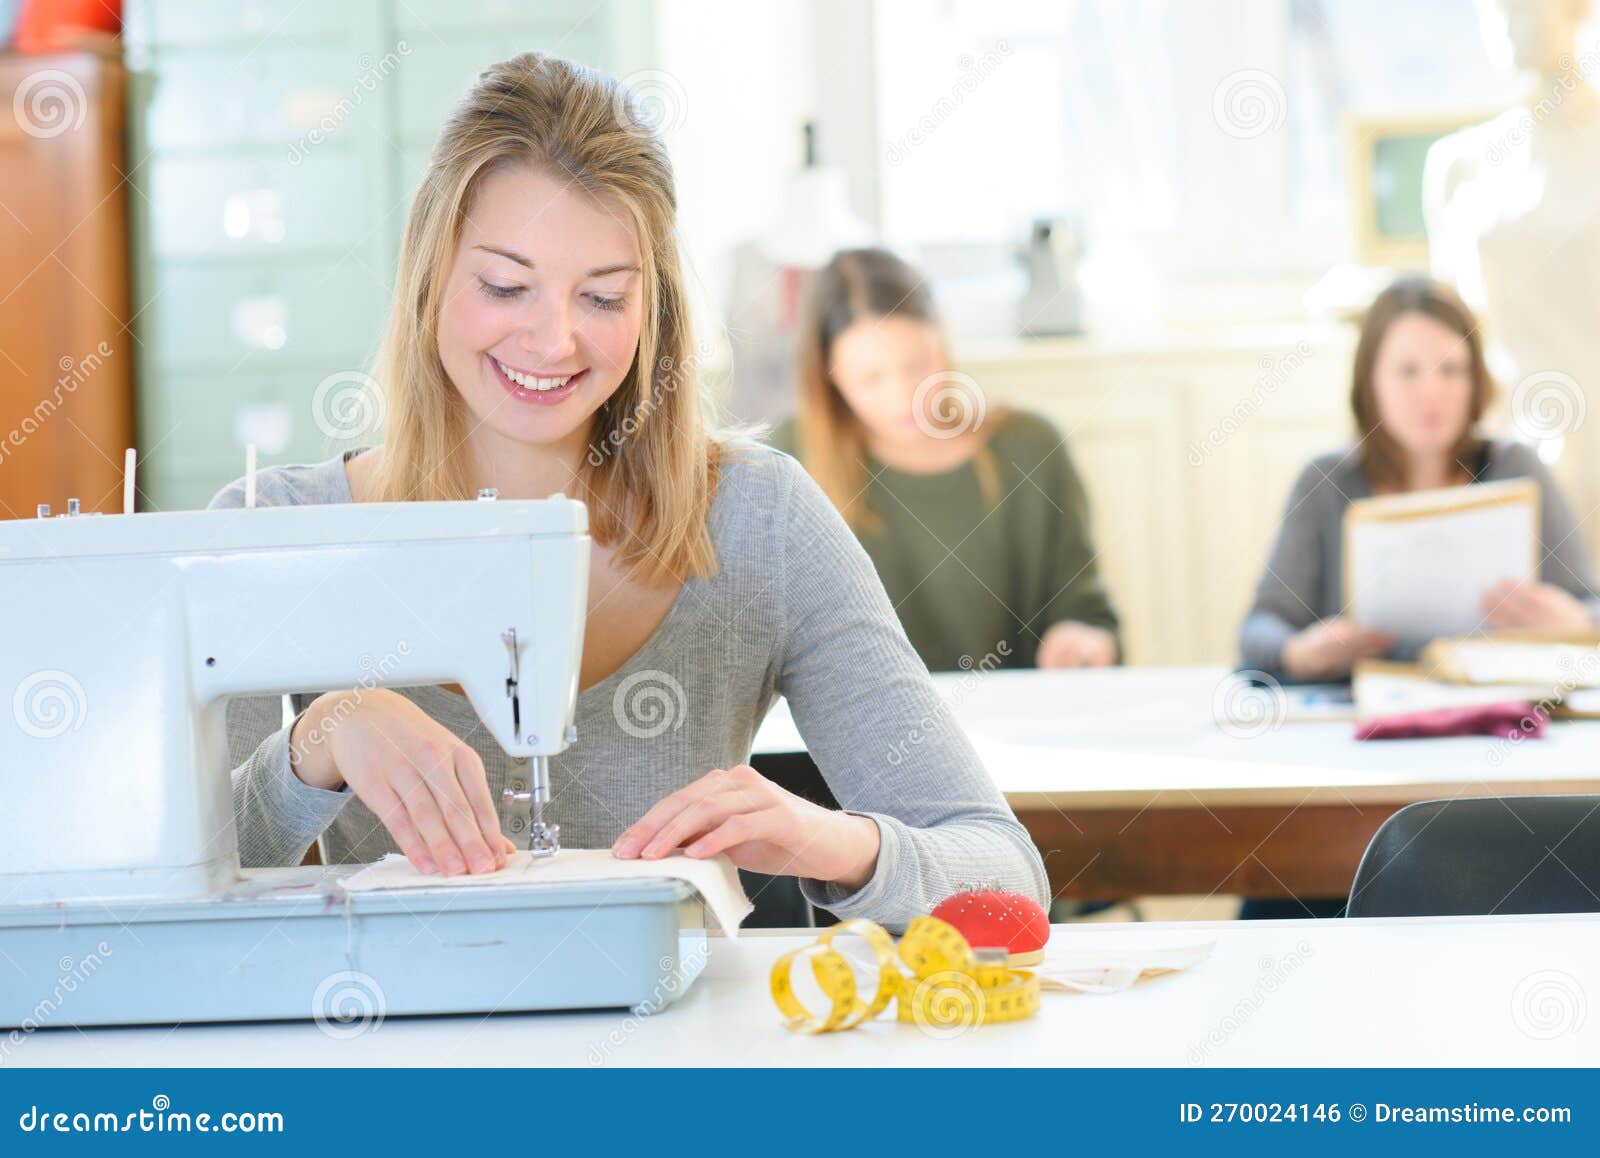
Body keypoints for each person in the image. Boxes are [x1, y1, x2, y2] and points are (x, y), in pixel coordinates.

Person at [213, 53, 1047, 932]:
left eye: (604, 297)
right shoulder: (275, 531)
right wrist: (319, 743)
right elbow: (158, 893)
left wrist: (831, 843)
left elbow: (1006, 879)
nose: (555, 338)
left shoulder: (761, 522)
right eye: (506, 285)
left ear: (655, 312)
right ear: (429, 282)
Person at [769, 247, 1121, 672]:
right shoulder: (790, 460)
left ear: (941, 339)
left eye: (917, 365)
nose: (904, 397)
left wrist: (1084, 638)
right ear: (831, 376)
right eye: (871, 379)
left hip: (1015, 726)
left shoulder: (1031, 448)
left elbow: (1086, 611)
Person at [1241, 275, 1600, 684]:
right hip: (1362, 719)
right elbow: (1260, 629)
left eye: (1451, 369)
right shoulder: (1324, 481)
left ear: (1475, 380)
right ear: (1370, 381)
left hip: (1500, 712)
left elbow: (1591, 607)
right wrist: (1298, 654)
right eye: (1407, 371)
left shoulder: (1517, 467)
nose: (1431, 392)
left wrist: (1574, 621)